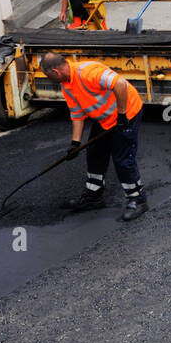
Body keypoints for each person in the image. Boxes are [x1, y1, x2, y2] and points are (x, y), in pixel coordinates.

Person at [40, 52, 148, 221]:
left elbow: (120, 84)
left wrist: (122, 115)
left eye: (48, 76)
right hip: (105, 118)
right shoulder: (66, 84)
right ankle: (94, 195)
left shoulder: (88, 72)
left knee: (123, 159)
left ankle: (138, 199)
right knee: (95, 152)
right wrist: (75, 143)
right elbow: (77, 114)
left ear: (55, 72)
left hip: (127, 114)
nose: (49, 80)